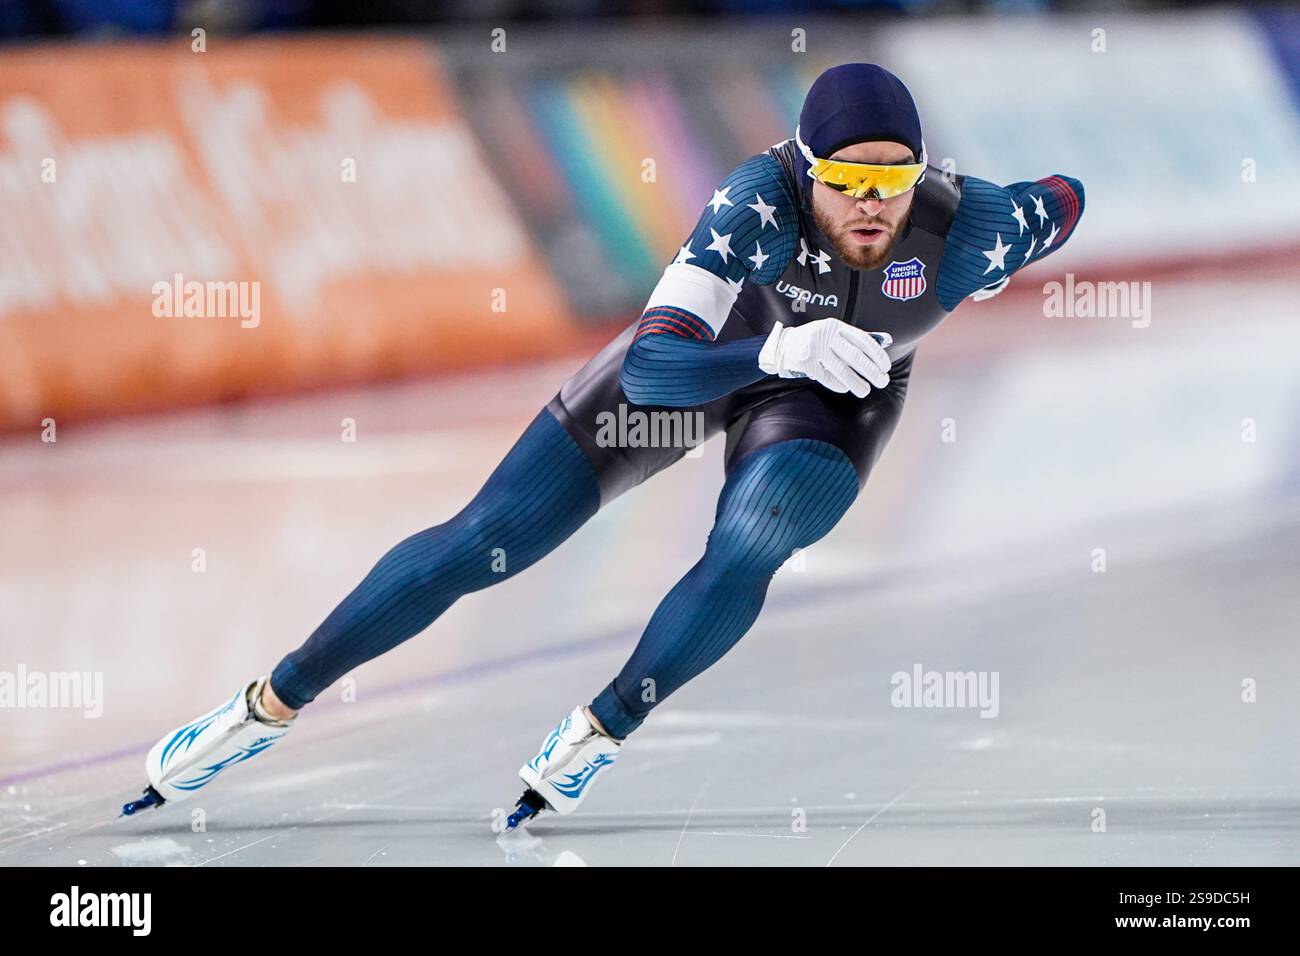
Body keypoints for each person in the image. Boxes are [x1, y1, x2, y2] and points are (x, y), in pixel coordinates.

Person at [123, 64, 1084, 829]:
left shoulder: (975, 227)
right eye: (846, 182)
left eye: (891, 182)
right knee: (484, 537)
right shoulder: (756, 202)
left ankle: (602, 730)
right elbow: (653, 376)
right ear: (805, 169)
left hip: (834, 398)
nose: (871, 205)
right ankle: (267, 706)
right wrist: (781, 345)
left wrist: (1011, 222)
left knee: (754, 540)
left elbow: (1065, 197)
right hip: (709, 359)